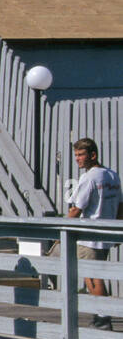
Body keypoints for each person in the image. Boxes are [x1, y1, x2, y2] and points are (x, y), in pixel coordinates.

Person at [66, 137, 120, 328]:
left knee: (91, 277)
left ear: (93, 155)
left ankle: (103, 318)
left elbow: (76, 208)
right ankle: (102, 315)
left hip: (89, 237)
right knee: (97, 273)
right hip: (105, 235)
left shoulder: (89, 177)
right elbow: (120, 207)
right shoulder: (112, 175)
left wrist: (62, 229)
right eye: (76, 155)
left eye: (81, 155)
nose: (78, 159)